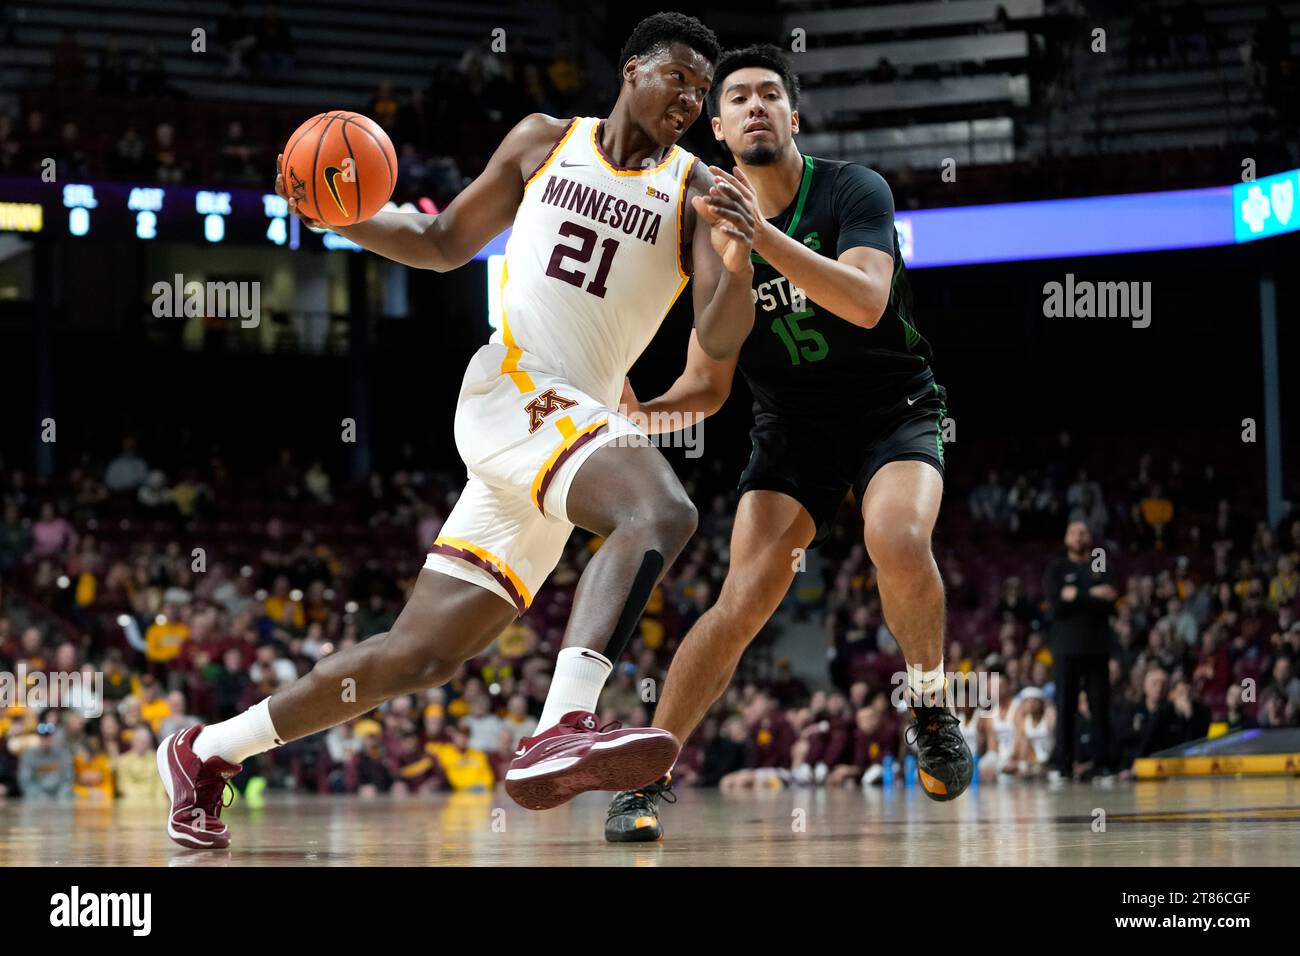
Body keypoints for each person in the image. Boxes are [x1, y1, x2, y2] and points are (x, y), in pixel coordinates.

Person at [158, 12, 757, 850]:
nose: (691, 100)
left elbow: (720, 343)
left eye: (703, 90)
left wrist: (739, 250)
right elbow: (442, 242)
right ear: (630, 71)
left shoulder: (699, 192)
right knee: (661, 511)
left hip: (568, 429)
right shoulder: (544, 139)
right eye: (679, 78)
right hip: (513, 388)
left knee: (421, 654)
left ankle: (207, 751)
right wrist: (342, 219)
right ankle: (564, 725)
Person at [605, 44, 970, 843]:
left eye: (771, 93)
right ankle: (645, 775)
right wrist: (642, 415)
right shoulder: (711, 238)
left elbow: (868, 302)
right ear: (720, 133)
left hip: (893, 407)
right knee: (740, 603)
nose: (755, 105)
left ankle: (933, 706)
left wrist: (761, 236)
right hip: (792, 427)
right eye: (737, 98)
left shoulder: (852, 189)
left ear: (794, 117)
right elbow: (707, 385)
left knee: (897, 536)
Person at [1044, 520, 1116, 781]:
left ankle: (1102, 765)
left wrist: (1075, 595)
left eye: (1083, 532)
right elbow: (1056, 605)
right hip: (1066, 649)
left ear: (1090, 536)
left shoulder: (1099, 561)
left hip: (1097, 648)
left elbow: (1109, 602)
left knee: (1099, 707)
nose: (1078, 536)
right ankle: (1063, 766)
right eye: (1073, 532)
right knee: (1065, 707)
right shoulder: (1057, 567)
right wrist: (1092, 595)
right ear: (1066, 538)